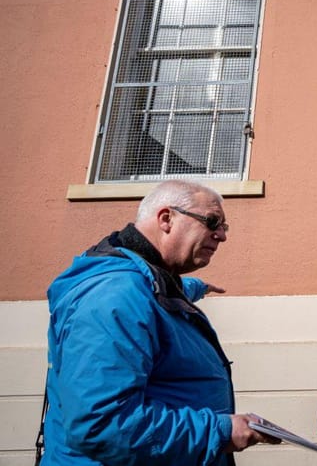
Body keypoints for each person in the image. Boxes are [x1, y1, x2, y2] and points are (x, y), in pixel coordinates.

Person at [42, 179, 275, 465]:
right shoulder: (113, 298)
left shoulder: (147, 284)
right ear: (166, 219)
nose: (221, 236)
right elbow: (102, 425)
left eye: (224, 227)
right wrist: (223, 431)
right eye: (213, 222)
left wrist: (195, 287)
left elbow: (157, 291)